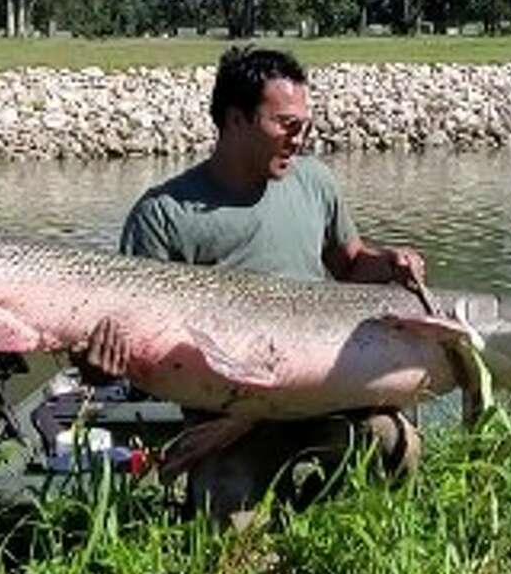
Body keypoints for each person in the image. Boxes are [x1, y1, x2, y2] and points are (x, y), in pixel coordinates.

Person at [75, 45, 428, 523]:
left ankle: (336, 533)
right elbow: (119, 347)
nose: (300, 138)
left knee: (395, 448)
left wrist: (386, 263)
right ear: (236, 120)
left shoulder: (315, 183)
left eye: (304, 123)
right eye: (286, 124)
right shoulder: (164, 214)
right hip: (227, 414)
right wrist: (98, 367)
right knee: (232, 523)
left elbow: (347, 264)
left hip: (321, 394)